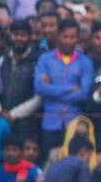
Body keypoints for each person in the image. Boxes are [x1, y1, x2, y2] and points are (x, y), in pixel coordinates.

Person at [34, 20, 95, 158]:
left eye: (72, 37)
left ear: (78, 38)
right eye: (64, 36)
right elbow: (39, 88)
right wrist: (70, 88)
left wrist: (51, 90)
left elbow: (84, 94)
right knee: (50, 162)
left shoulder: (85, 62)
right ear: (57, 36)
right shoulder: (45, 59)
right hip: (50, 122)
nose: (68, 41)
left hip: (74, 123)